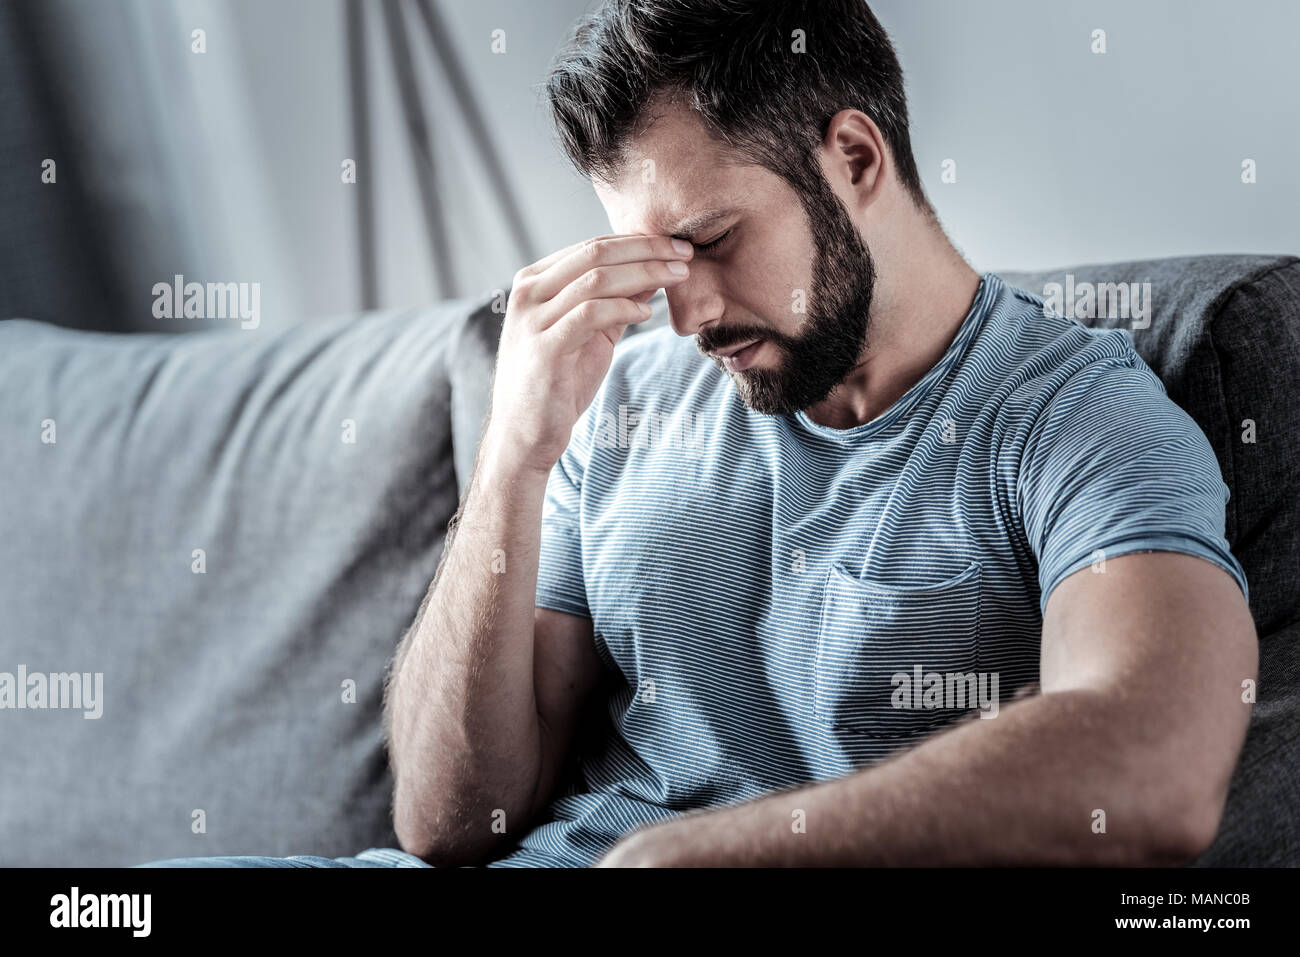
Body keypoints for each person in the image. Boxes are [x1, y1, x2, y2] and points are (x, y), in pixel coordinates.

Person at [139, 0, 1255, 869]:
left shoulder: (1072, 419)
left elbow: (1151, 766)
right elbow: (446, 823)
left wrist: (692, 860)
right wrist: (513, 458)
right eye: (654, 261)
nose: (685, 315)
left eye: (711, 239)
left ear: (855, 159)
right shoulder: (621, 409)